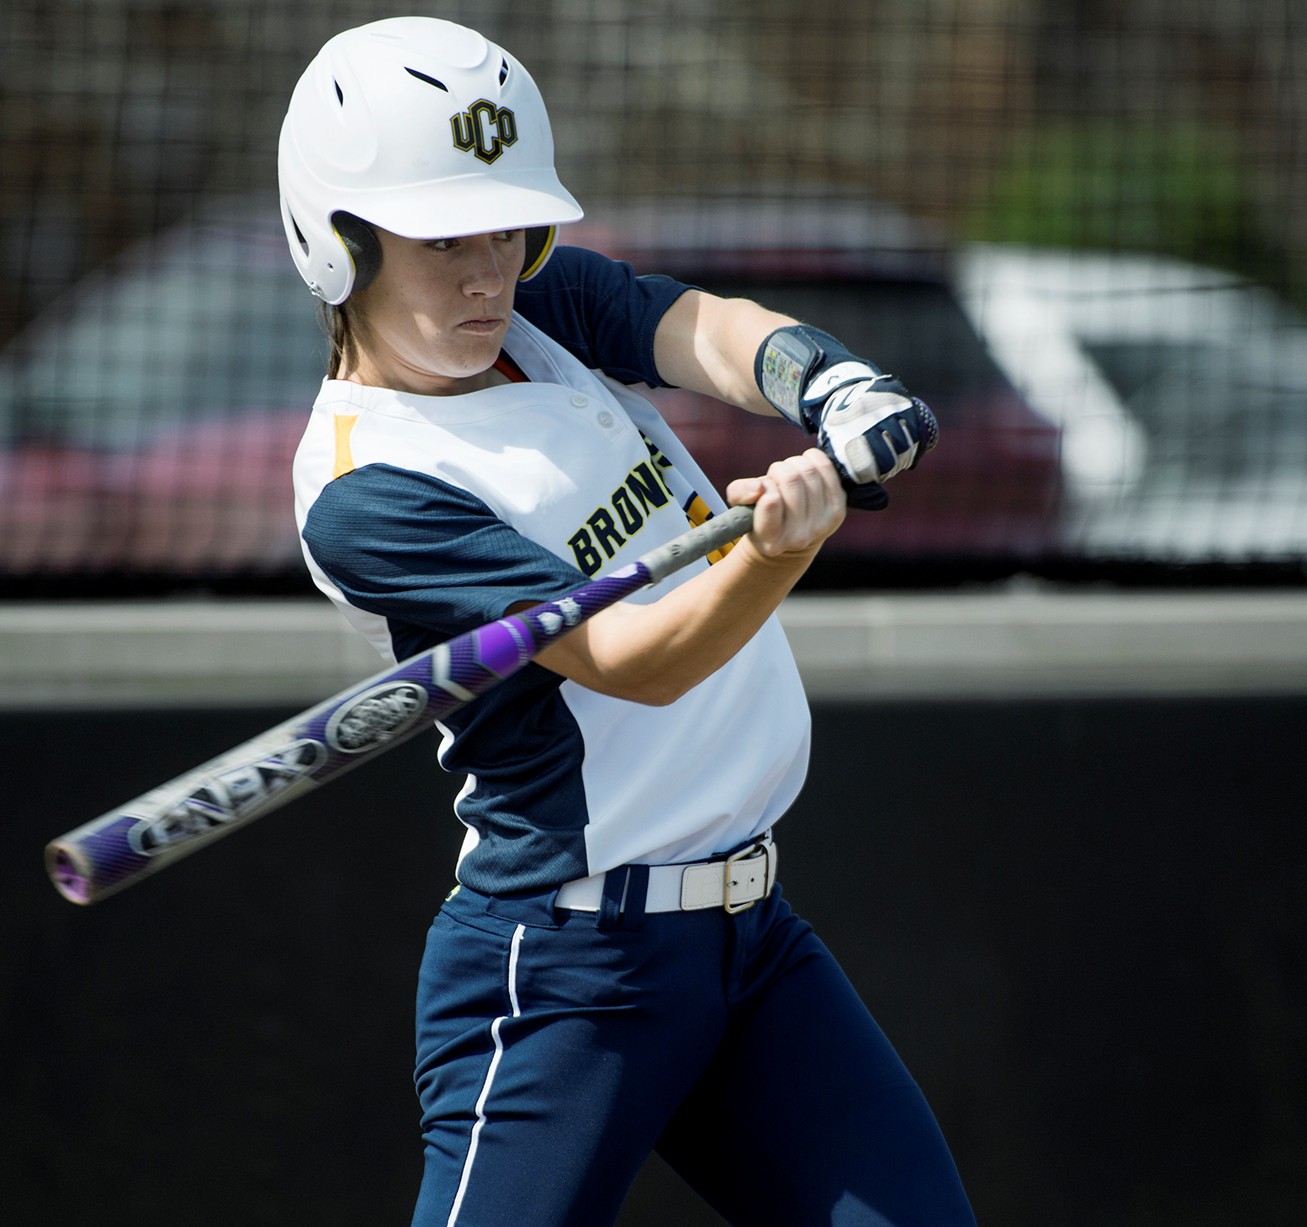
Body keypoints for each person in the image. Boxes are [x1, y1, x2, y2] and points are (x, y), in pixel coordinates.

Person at [277, 16, 969, 1227]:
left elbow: (702, 328)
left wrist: (828, 382)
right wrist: (778, 549)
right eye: (442, 241)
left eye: (507, 229)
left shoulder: (537, 314)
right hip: (565, 976)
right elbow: (637, 660)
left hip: (751, 943)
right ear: (339, 244)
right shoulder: (368, 490)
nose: (486, 273)